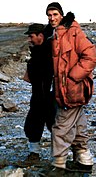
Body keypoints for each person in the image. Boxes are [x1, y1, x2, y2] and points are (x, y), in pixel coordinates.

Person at [45, 2, 96, 174]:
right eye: (49, 15)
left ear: (61, 15)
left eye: (54, 14)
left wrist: (73, 77)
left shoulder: (74, 32)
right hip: (67, 89)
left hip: (72, 89)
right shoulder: (56, 34)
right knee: (78, 124)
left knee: (61, 125)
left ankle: (58, 166)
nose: (51, 18)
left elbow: (90, 55)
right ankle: (84, 161)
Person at [22, 23, 56, 166]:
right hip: (38, 95)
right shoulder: (37, 51)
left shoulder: (48, 52)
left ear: (40, 36)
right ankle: (34, 153)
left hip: (49, 96)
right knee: (32, 125)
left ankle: (61, 158)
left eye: (31, 36)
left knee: (55, 126)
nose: (29, 39)